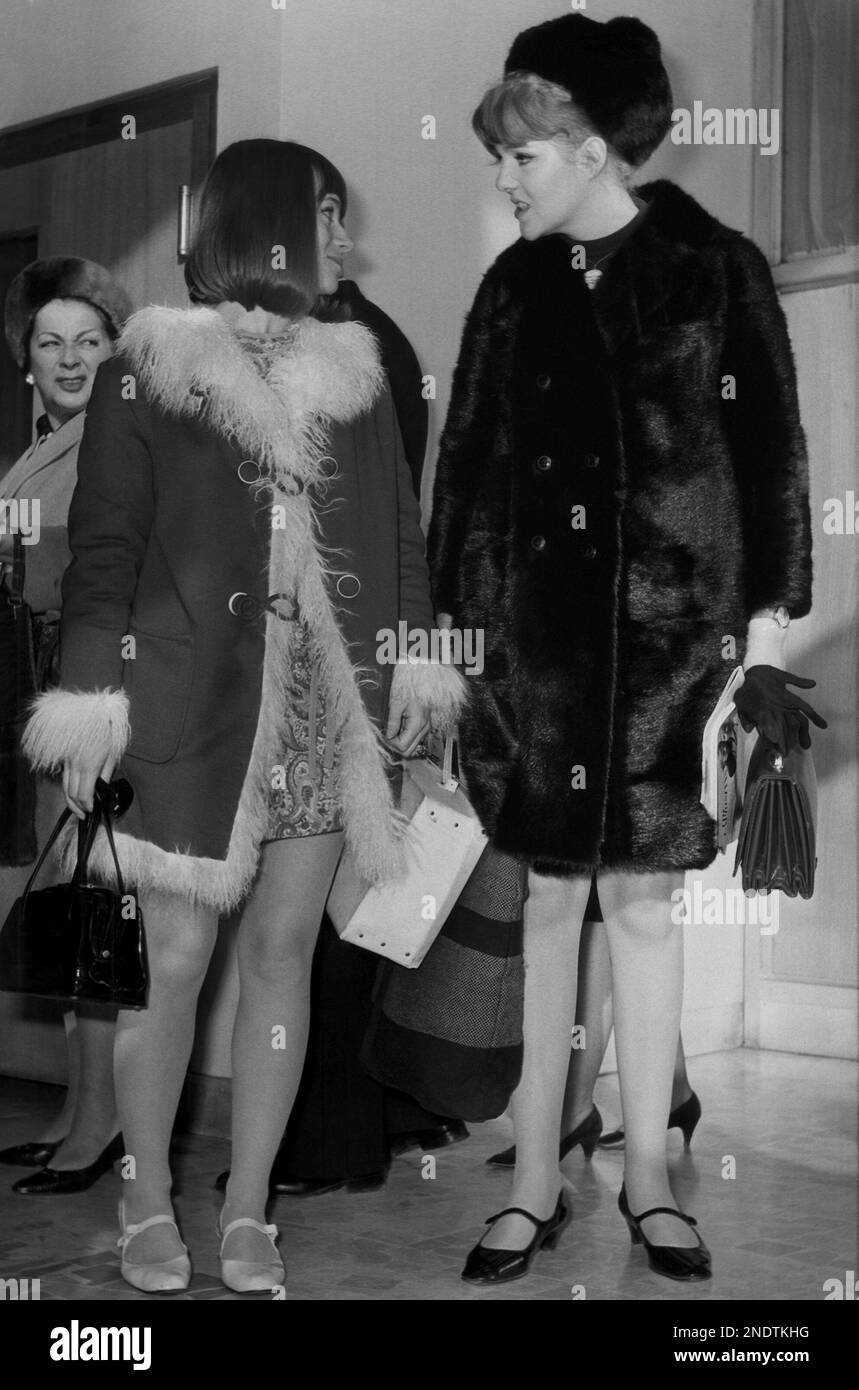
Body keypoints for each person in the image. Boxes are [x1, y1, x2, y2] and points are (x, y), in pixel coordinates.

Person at [23, 138, 464, 1294]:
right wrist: (87, 710)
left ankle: (251, 1207)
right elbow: (103, 555)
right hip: (183, 705)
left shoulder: (359, 371)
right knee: (170, 957)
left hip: (328, 711)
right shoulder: (143, 369)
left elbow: (402, 544)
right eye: (327, 214)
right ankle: (149, 1197)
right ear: (267, 221)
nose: (343, 238)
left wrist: (416, 672)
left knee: (281, 955)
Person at [428, 12, 822, 1285]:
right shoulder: (510, 289)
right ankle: (534, 1172)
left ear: (593, 147)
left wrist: (762, 640)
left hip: (672, 655)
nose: (502, 177)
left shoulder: (717, 267)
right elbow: (469, 478)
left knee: (646, 906)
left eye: (521, 156)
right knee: (548, 900)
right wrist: (454, 642)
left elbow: (770, 456)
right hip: (536, 657)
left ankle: (648, 1172)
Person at [216, 274, 468, 1200]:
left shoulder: (364, 351)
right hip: (276, 680)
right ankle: (328, 1142)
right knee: (322, 935)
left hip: (337, 681)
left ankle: (331, 1142)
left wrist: (410, 660)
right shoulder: (208, 358)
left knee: (342, 933)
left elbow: (396, 521)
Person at [0, 257, 132, 1195]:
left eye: (90, 339)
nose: (70, 355)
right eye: (52, 341)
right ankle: (80, 1111)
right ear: (26, 358)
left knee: (101, 908)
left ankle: (105, 1124)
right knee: (76, 904)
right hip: (44, 691)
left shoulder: (114, 437)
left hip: (92, 691)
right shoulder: (39, 444)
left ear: (116, 351)